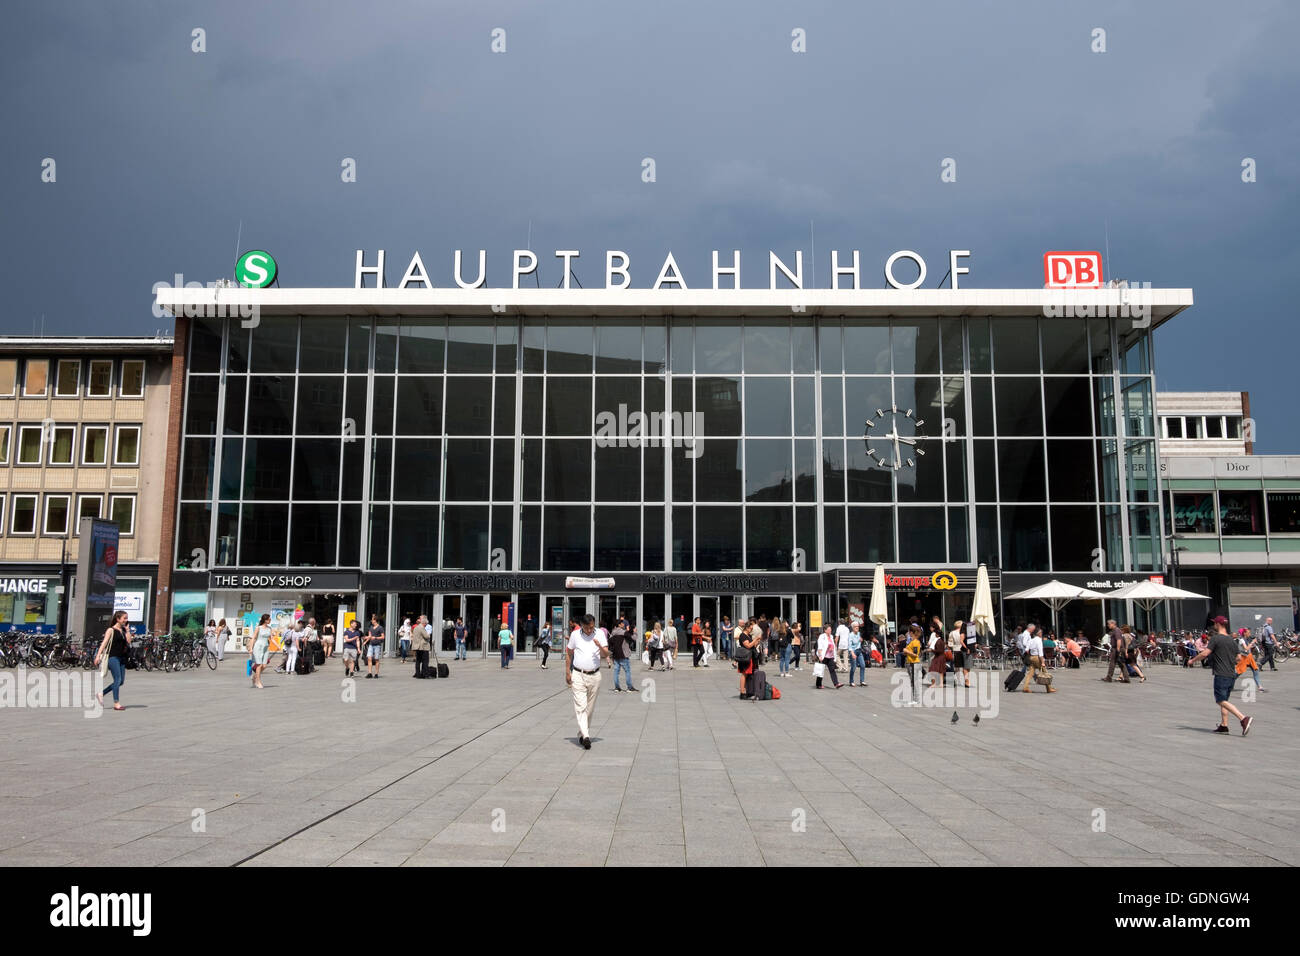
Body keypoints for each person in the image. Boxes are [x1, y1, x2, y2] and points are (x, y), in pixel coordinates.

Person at [1188, 616, 1253, 736]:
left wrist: (1193, 660)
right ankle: (1224, 725)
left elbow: (1205, 653)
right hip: (1231, 674)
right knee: (1225, 700)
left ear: (1218, 624)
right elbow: (1238, 658)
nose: (1214, 625)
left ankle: (1243, 718)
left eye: (1215, 623)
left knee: (1220, 700)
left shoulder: (1216, 639)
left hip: (1221, 674)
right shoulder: (1232, 640)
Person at [566, 615, 609, 749]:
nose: (589, 631)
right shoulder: (575, 635)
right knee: (581, 706)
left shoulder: (600, 634)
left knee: (589, 708)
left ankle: (581, 733)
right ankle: (586, 736)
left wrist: (599, 646)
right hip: (578, 674)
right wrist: (568, 671)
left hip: (595, 675)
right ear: (581, 625)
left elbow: (606, 654)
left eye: (591, 628)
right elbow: (569, 653)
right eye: (586, 628)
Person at [94, 610, 132, 711]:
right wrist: (98, 656)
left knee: (121, 681)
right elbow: (104, 643)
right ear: (118, 619)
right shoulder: (111, 630)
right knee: (118, 679)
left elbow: (129, 641)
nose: (126, 620)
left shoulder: (123, 630)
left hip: (122, 658)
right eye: (124, 618)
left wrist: (128, 630)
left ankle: (101, 694)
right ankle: (116, 703)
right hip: (112, 657)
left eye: (127, 618)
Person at [1023, 628, 1056, 693]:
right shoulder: (1039, 640)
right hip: (1037, 658)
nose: (1041, 634)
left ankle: (1025, 687)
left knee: (1030, 673)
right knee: (1045, 672)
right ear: (1038, 633)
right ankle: (1049, 688)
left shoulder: (1031, 640)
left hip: (1031, 657)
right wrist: (1043, 662)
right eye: (1041, 632)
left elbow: (1026, 650)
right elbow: (1040, 652)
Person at [735, 619, 761, 699]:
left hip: (750, 657)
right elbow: (748, 646)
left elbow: (752, 646)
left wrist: (757, 642)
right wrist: (755, 640)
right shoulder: (742, 635)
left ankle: (748, 690)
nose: (751, 630)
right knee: (744, 674)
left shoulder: (748, 635)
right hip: (745, 658)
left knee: (748, 674)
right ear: (746, 628)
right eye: (750, 628)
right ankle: (742, 692)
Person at [609, 620, 636, 693]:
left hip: (615, 655)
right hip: (623, 654)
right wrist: (634, 631)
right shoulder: (624, 633)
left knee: (616, 672)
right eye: (622, 623)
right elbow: (633, 638)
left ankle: (617, 687)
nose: (623, 624)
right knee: (627, 671)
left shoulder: (613, 633)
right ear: (619, 625)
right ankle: (629, 687)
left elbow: (610, 643)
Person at [1102, 619, 1131, 683]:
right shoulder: (1116, 630)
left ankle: (1109, 678)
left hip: (1117, 649)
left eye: (1109, 624)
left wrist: (1118, 650)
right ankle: (1126, 678)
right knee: (1121, 664)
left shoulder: (1116, 630)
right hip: (1118, 649)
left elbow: (1119, 640)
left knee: (1112, 663)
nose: (1108, 625)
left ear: (1113, 624)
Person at [816, 624, 843, 689]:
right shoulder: (822, 636)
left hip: (830, 657)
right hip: (824, 656)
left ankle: (836, 684)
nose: (830, 630)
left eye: (830, 629)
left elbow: (833, 646)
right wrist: (820, 655)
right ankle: (818, 684)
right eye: (829, 629)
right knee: (821, 670)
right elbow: (820, 646)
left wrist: (835, 656)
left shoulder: (831, 636)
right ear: (825, 630)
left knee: (832, 670)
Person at [249, 613, 272, 689]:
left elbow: (270, 638)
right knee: (259, 665)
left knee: (264, 665)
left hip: (266, 648)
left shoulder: (269, 628)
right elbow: (253, 638)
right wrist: (251, 648)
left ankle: (254, 677)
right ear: (265, 620)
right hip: (258, 647)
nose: (270, 620)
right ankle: (258, 682)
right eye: (269, 619)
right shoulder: (258, 628)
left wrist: (278, 645)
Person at [903, 625, 923, 704]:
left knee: (915, 681)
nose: (908, 633)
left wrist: (906, 650)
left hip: (914, 663)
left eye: (908, 632)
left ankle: (916, 699)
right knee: (913, 681)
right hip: (910, 662)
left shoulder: (915, 642)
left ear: (911, 632)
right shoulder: (912, 641)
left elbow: (915, 654)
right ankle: (915, 698)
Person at [948, 619, 969, 687]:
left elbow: (950, 644)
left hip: (956, 650)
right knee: (964, 667)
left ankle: (957, 680)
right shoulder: (965, 632)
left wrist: (951, 648)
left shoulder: (952, 633)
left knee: (956, 667)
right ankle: (966, 680)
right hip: (964, 650)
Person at [847, 621, 867, 687]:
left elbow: (859, 640)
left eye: (858, 626)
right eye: (855, 627)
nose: (857, 628)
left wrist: (860, 640)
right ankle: (851, 681)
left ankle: (862, 681)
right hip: (853, 651)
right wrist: (852, 653)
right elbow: (849, 645)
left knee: (863, 665)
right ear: (852, 628)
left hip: (859, 651)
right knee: (854, 667)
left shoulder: (858, 633)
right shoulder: (850, 635)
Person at [412, 613, 431, 678]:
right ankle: (425, 674)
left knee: (418, 661)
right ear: (424, 623)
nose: (426, 625)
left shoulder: (416, 627)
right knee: (425, 661)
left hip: (417, 646)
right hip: (423, 647)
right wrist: (429, 635)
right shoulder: (422, 628)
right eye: (426, 624)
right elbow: (426, 636)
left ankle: (417, 674)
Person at [365, 614, 384, 679]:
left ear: (375, 620)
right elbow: (370, 636)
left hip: (377, 645)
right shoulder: (370, 627)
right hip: (371, 644)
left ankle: (376, 673)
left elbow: (383, 637)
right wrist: (366, 639)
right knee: (369, 658)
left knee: (376, 659)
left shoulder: (380, 628)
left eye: (372, 619)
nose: (371, 620)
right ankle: (370, 673)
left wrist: (375, 638)